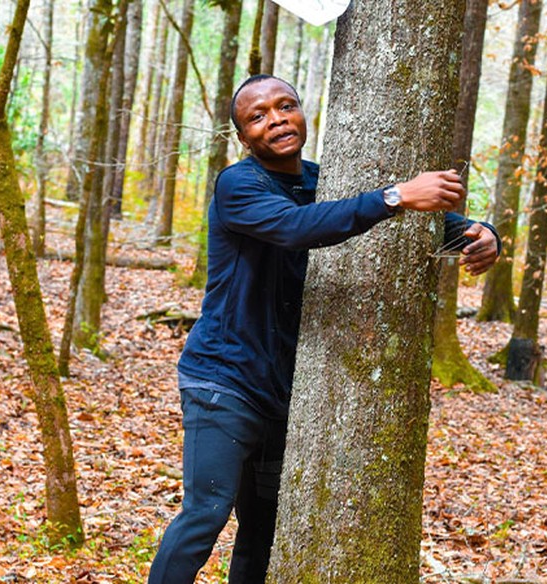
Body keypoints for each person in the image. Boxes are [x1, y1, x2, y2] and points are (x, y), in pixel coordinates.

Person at [147, 74, 501, 584]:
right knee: (207, 512)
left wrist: (481, 234)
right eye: (258, 116)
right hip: (222, 384)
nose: (276, 119)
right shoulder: (239, 185)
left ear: (302, 112)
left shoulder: (324, 179)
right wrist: (397, 195)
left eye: (285, 106)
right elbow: (299, 228)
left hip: (285, 394)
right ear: (244, 137)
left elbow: (412, 219)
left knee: (264, 529)